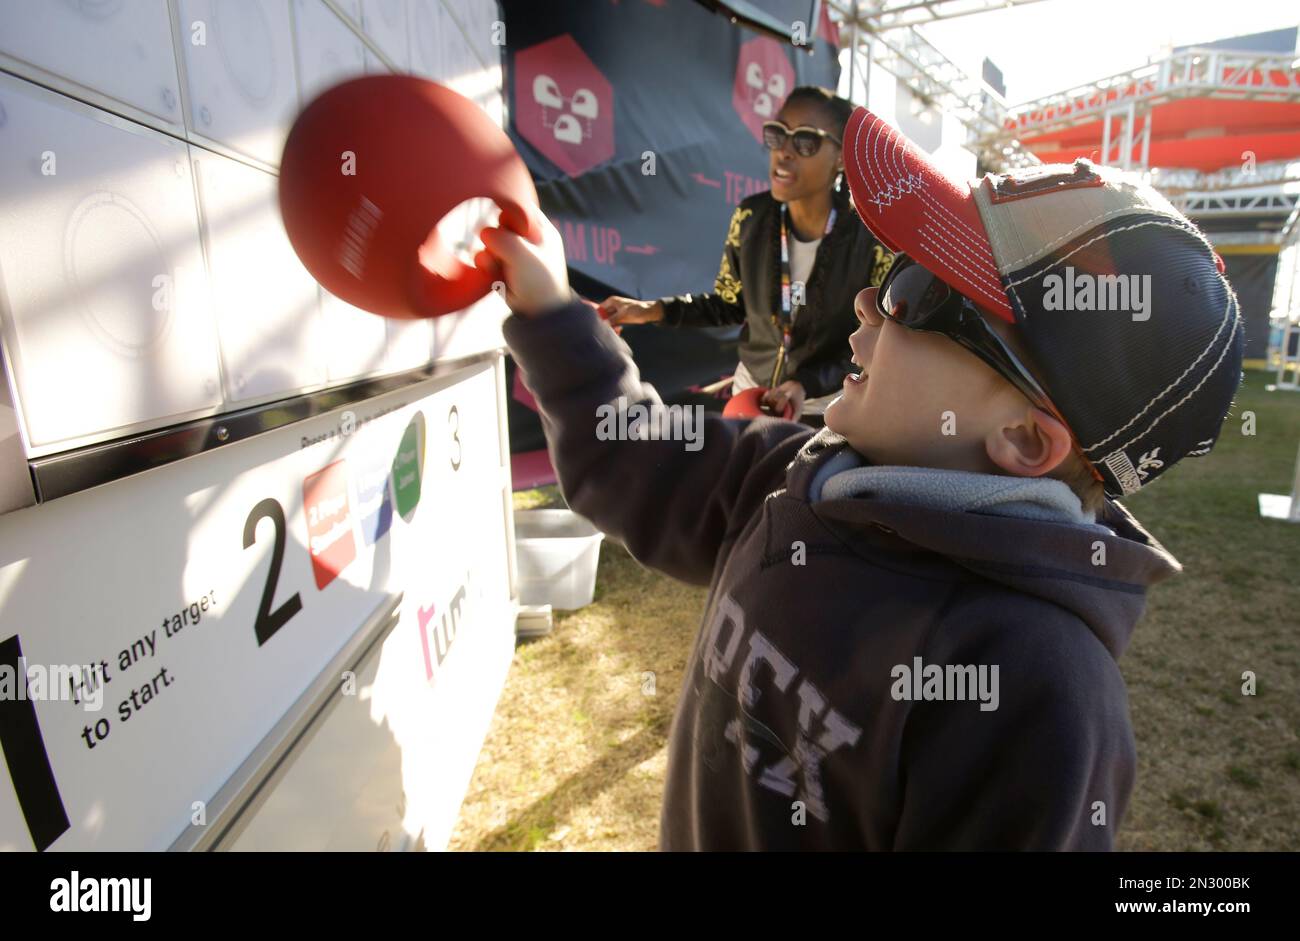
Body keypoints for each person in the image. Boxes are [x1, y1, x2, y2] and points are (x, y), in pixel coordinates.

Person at [477, 105, 1244, 850]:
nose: (870, 300)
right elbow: (630, 460)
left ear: (1022, 436)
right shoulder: (789, 471)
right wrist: (550, 310)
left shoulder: (1038, 689)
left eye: (922, 295)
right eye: (900, 266)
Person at [601, 86, 892, 421]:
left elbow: (874, 341)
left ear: (841, 158)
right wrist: (650, 311)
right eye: (777, 134)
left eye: (805, 141)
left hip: (825, 410)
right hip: (749, 397)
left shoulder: (871, 240)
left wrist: (805, 384)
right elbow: (729, 303)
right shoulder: (750, 216)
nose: (784, 151)